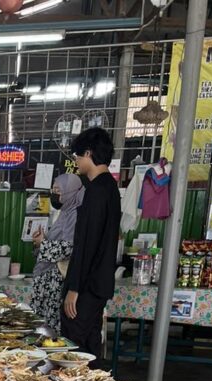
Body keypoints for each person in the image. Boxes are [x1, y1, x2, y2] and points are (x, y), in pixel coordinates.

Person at [61, 127, 121, 356]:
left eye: (77, 155)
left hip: (88, 286)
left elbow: (88, 243)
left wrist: (74, 288)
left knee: (74, 345)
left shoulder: (96, 191)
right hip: (98, 283)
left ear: (88, 153)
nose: (75, 161)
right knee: (90, 342)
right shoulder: (110, 188)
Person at [28, 173, 84, 334]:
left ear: (71, 190)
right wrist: (43, 240)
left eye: (58, 190)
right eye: (53, 189)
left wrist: (43, 244)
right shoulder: (64, 213)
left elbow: (69, 248)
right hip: (46, 279)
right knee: (39, 327)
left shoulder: (75, 215)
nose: (54, 194)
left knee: (50, 329)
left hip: (56, 281)